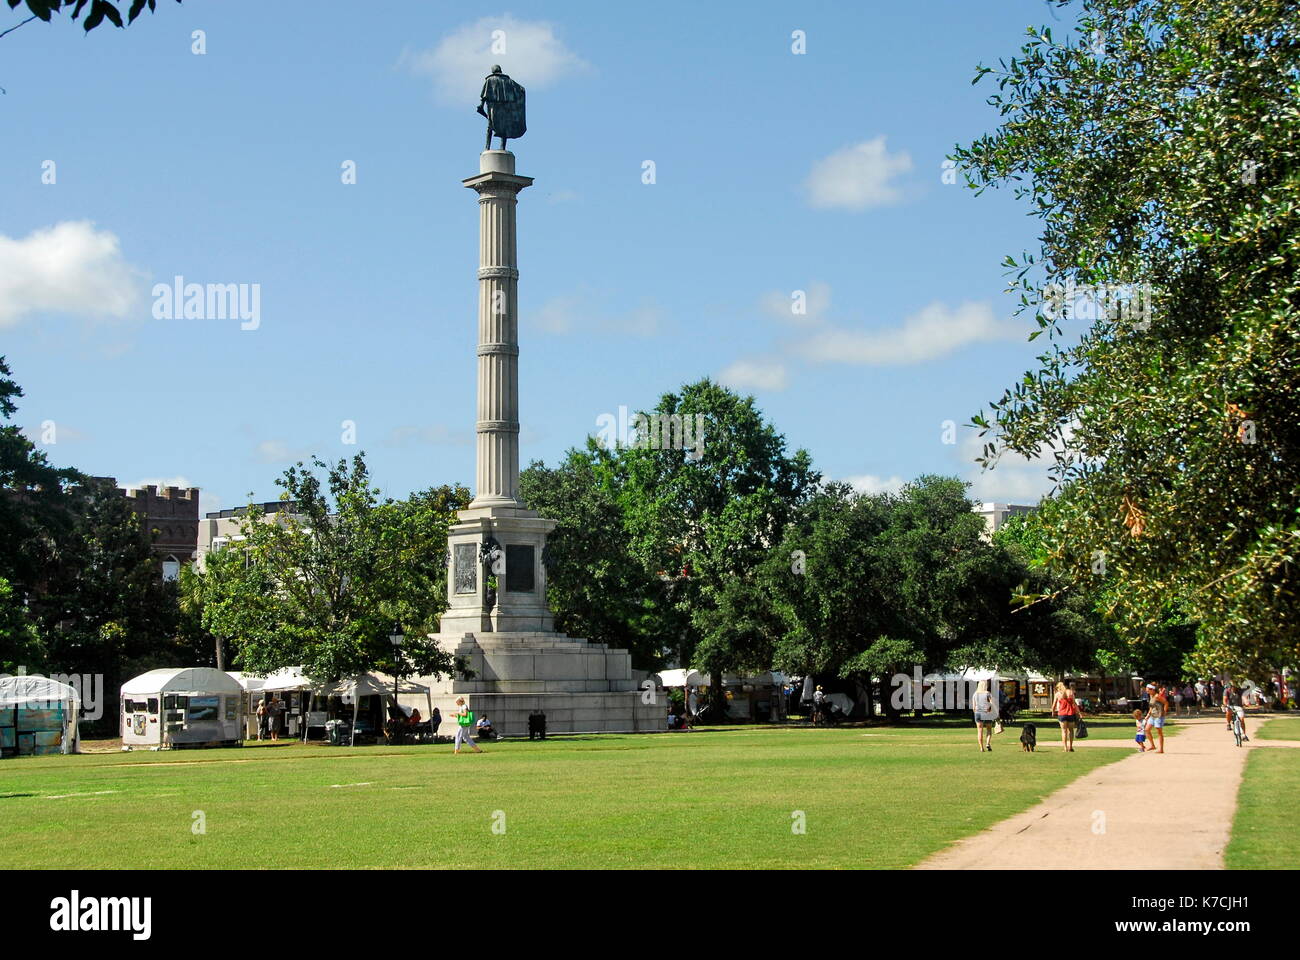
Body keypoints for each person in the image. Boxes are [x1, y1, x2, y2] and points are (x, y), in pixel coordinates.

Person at [1054, 681, 1081, 752]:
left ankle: (1065, 748)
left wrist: (1053, 712)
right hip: (1070, 713)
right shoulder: (1071, 693)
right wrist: (1079, 713)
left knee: (1064, 731)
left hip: (1062, 714)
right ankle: (1071, 747)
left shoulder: (1058, 694)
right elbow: (1074, 704)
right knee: (1071, 730)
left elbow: (1054, 704)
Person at [972, 679, 999, 752]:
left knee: (979, 731)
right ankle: (987, 743)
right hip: (987, 713)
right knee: (989, 729)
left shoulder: (975, 694)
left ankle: (981, 748)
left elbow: (974, 707)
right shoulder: (988, 693)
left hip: (978, 713)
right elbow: (992, 703)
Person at [1144, 683, 1167, 753]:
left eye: (1148, 690)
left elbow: (1166, 703)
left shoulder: (1157, 696)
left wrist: (1165, 711)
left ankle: (1161, 749)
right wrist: (1148, 715)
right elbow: (1151, 707)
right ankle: (1152, 745)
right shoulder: (1151, 696)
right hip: (1152, 715)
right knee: (1147, 729)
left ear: (1152, 690)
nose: (1147, 691)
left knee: (1159, 732)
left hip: (1158, 716)